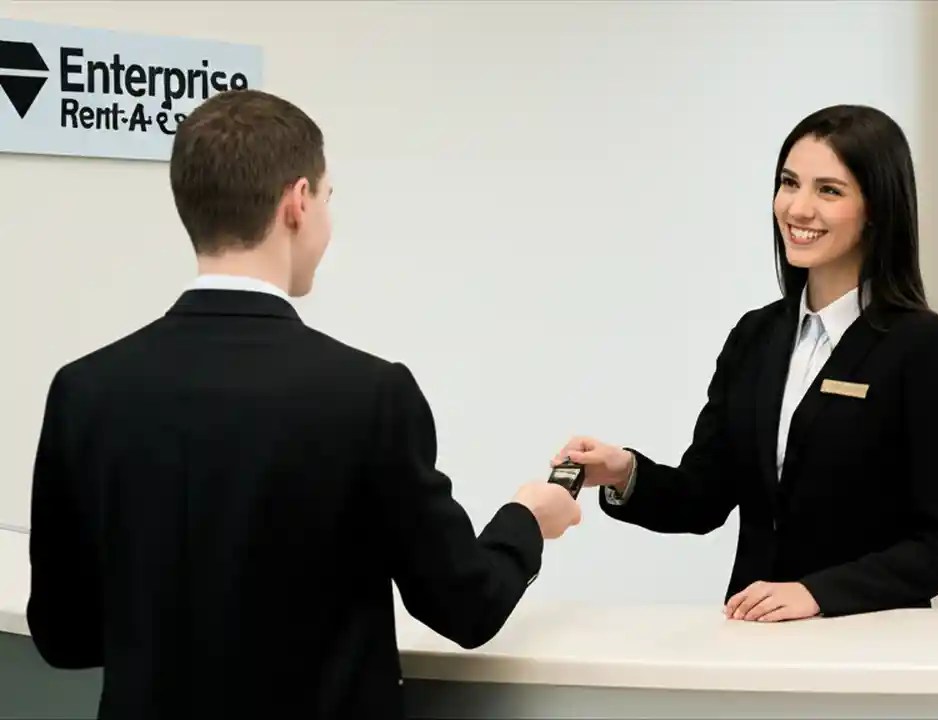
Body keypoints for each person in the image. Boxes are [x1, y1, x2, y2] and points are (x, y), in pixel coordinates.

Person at [26, 89, 582, 720]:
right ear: (296, 202)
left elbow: (64, 635)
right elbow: (466, 606)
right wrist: (529, 520)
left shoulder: (86, 390)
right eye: (326, 198)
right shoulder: (369, 394)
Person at [555, 104, 938, 622]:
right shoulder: (756, 336)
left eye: (829, 190)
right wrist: (625, 473)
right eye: (789, 183)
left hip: (869, 641)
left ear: (877, 208)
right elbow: (702, 498)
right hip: (756, 639)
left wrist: (816, 592)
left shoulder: (924, 347)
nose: (798, 209)